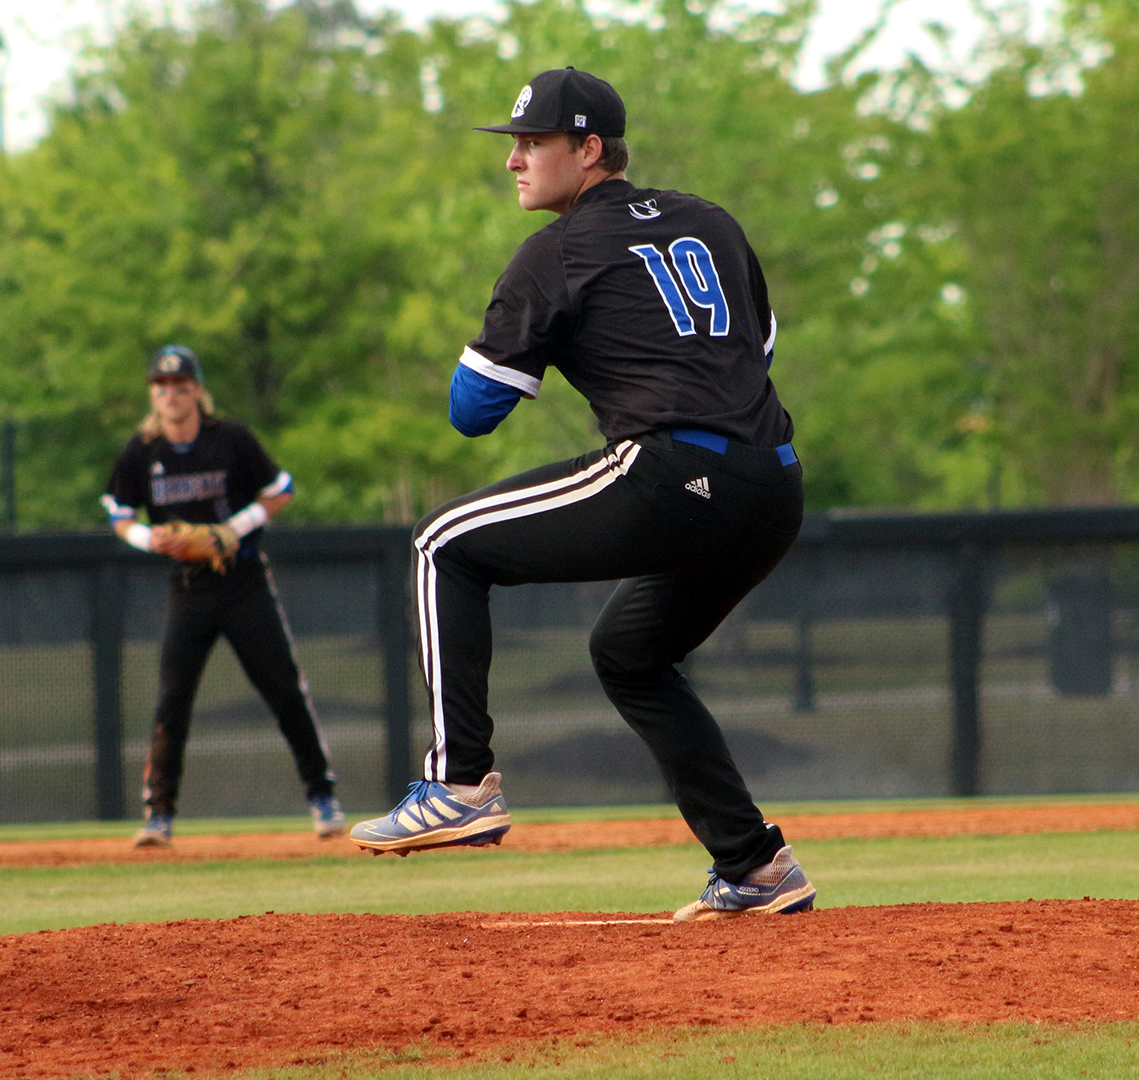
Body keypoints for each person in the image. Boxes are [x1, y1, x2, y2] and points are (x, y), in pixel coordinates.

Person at [347, 68, 815, 922]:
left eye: (532, 143)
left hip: (676, 472)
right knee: (630, 655)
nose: (514, 161)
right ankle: (754, 865)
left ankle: (458, 784)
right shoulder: (710, 220)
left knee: (442, 542)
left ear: (588, 149)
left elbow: (472, 412)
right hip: (774, 483)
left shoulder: (555, 253)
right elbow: (759, 345)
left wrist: (527, 325)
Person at [102, 344, 342, 847]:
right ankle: (159, 816)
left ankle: (323, 798)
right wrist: (152, 539)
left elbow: (282, 489)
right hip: (188, 588)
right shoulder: (143, 451)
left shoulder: (230, 439)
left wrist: (234, 528)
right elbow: (120, 515)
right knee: (172, 701)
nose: (170, 393)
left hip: (243, 582)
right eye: (161, 386)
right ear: (153, 393)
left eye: (180, 384)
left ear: (197, 390)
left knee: (283, 689)